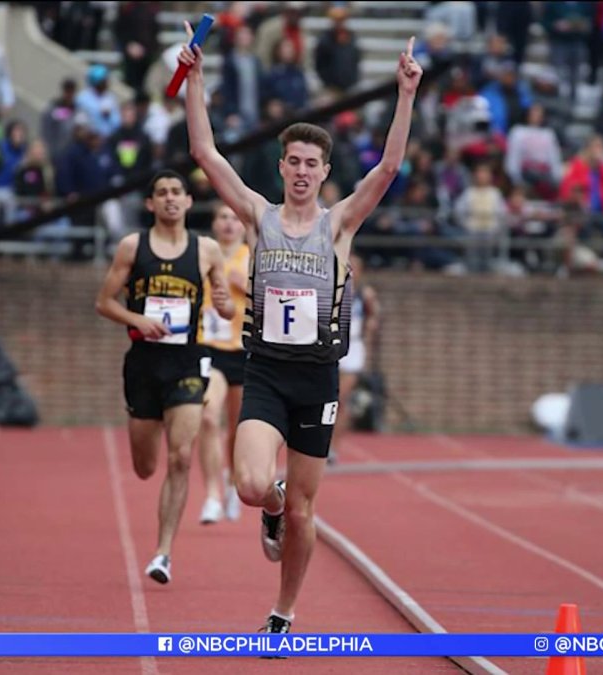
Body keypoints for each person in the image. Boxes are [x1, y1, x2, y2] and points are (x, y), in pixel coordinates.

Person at [180, 25, 422, 635]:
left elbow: (390, 166)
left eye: (313, 163)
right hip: (265, 370)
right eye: (294, 161)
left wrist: (406, 94)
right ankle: (273, 505)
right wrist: (197, 81)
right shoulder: (259, 217)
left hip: (318, 378)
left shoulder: (340, 225)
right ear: (283, 165)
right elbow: (207, 156)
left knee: (309, 512)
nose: (302, 171)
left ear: (324, 171)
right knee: (254, 484)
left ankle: (283, 610)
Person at [94, 169, 235, 585]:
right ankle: (147, 454)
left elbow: (226, 311)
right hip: (143, 365)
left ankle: (163, 553)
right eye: (162, 193)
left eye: (178, 192)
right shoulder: (132, 247)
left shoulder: (207, 249)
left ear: (190, 202)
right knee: (144, 466)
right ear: (150, 204)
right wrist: (138, 318)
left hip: (188, 362)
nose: (171, 198)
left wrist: (225, 301)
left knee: (181, 456)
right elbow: (103, 302)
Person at [195, 202, 251, 525]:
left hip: (242, 351)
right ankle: (213, 494)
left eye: (234, 219)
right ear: (214, 223)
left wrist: (246, 287)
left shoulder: (251, 258)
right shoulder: (203, 256)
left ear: (243, 226)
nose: (229, 224)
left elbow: (273, 301)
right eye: (223, 218)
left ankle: (230, 483)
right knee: (208, 415)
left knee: (237, 429)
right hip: (210, 348)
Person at [332, 253, 380, 462]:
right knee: (327, 399)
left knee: (341, 399)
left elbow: (373, 316)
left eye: (354, 268)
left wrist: (371, 324)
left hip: (353, 349)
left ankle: (333, 447)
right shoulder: (332, 289)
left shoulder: (363, 293)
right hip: (333, 346)